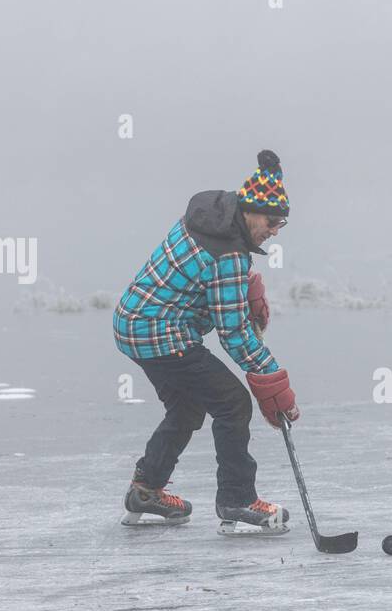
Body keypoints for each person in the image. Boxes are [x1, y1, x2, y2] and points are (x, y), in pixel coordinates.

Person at [113, 149, 300, 526]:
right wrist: (273, 382)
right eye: (272, 221)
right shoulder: (229, 253)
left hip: (131, 321)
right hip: (160, 333)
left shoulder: (208, 218)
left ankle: (146, 490)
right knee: (233, 403)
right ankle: (237, 499)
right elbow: (233, 334)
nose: (275, 231)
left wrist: (243, 288)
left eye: (282, 224)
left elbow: (196, 279)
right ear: (249, 210)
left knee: (187, 407)